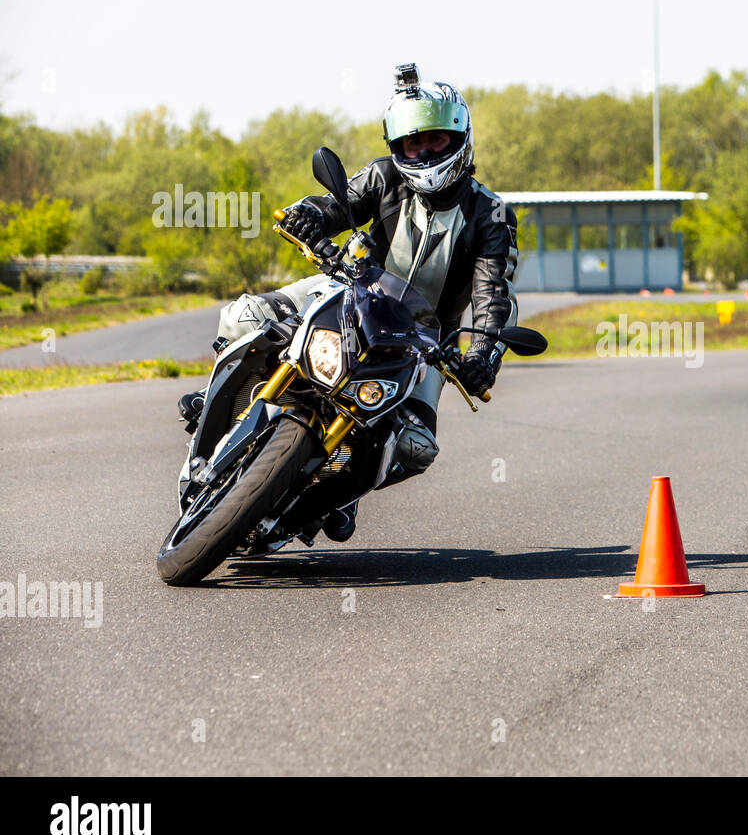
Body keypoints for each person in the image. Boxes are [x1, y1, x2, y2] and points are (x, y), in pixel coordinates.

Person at [179, 64, 518, 541]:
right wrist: (307, 215)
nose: (422, 152)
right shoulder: (383, 178)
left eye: (435, 141)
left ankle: (326, 498)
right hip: (350, 292)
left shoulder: (491, 213)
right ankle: (219, 415)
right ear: (395, 148)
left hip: (423, 341)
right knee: (245, 316)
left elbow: (494, 294)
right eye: (410, 143)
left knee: (415, 447)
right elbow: (337, 204)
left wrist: (483, 356)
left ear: (460, 136)